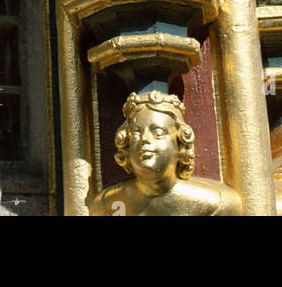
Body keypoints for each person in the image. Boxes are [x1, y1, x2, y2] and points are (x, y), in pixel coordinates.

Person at [90, 90, 240, 216]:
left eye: (158, 132)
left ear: (180, 145)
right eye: (136, 133)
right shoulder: (104, 207)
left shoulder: (216, 205)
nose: (144, 140)